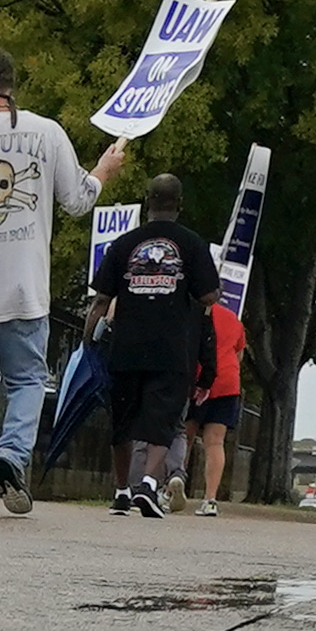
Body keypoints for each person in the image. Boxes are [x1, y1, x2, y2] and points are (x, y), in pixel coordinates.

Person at [0, 49, 124, 515]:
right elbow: (77, 200)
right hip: (26, 289)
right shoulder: (47, 133)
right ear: (10, 85)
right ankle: (11, 455)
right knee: (28, 380)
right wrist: (103, 171)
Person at [92, 174, 221, 516]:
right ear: (180, 204)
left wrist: (88, 341)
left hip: (126, 346)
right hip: (172, 348)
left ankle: (122, 491)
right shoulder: (192, 244)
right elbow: (209, 295)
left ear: (147, 201)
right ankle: (148, 484)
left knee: (122, 422)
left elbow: (101, 299)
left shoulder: (123, 244)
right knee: (162, 421)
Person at [185, 290, 246, 515]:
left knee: (184, 438)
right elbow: (239, 353)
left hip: (196, 380)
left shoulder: (191, 314)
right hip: (227, 382)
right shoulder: (233, 319)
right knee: (215, 443)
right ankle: (210, 499)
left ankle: (170, 490)